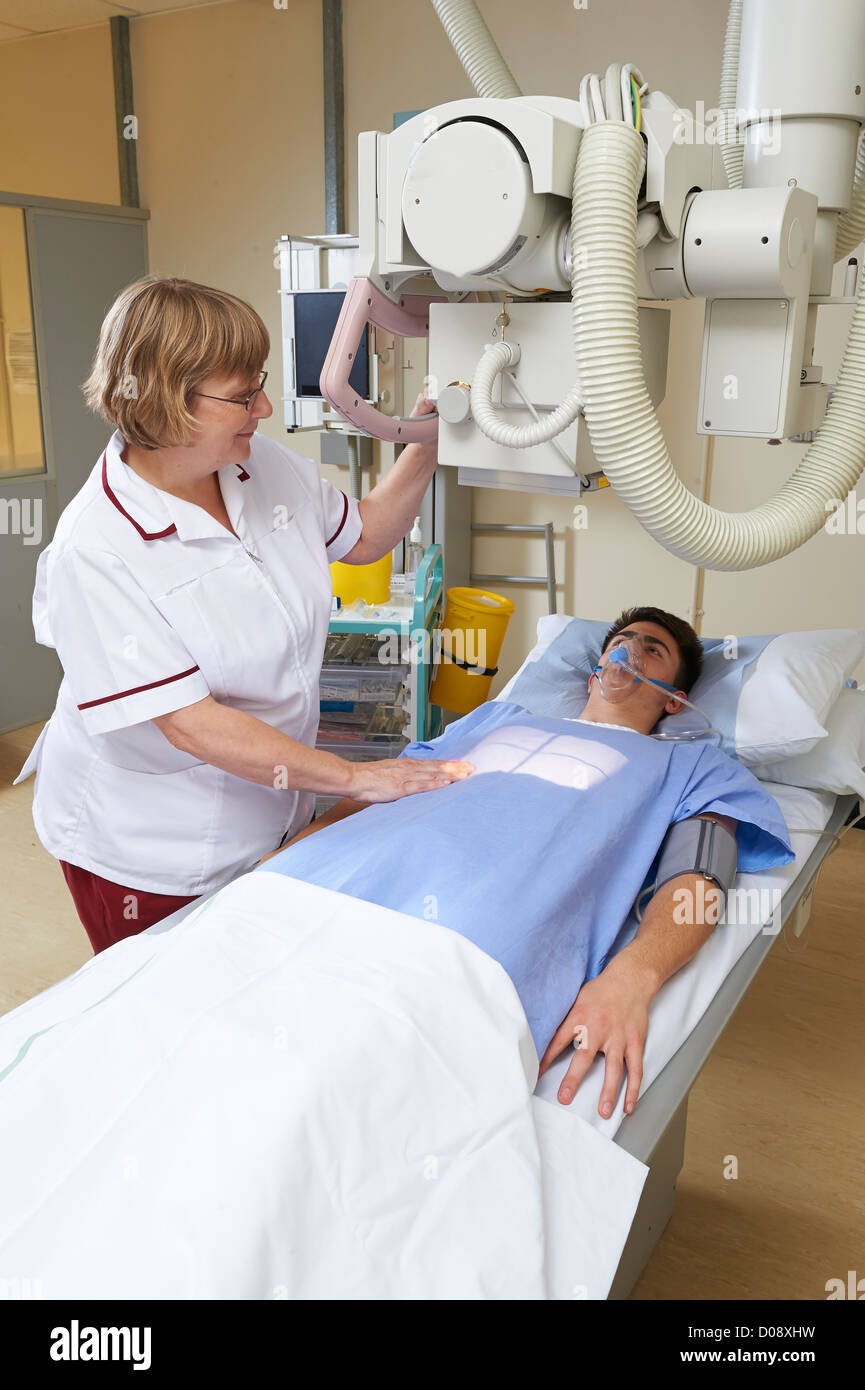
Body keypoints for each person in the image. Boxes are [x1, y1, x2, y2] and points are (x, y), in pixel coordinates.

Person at [14, 276, 472, 954]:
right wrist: (354, 777)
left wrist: (429, 437)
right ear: (166, 400)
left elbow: (368, 534)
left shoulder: (262, 468)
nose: (262, 406)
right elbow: (192, 724)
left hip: (272, 806)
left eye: (258, 383)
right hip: (153, 847)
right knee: (167, 1010)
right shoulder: (97, 550)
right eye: (240, 395)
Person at [256, 607, 795, 1118]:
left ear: (675, 701)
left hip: (477, 926)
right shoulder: (498, 717)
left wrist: (634, 976)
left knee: (350, 1083)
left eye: (651, 650)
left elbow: (698, 876)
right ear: (593, 673)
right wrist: (293, 853)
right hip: (331, 877)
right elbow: (383, 786)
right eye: (620, 644)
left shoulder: (690, 760)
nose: (629, 653)